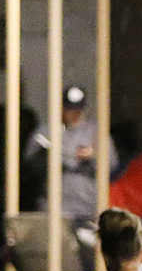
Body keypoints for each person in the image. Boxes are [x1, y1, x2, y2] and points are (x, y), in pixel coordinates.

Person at [30, 85, 115, 222]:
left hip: (88, 209)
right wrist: (50, 156)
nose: (74, 114)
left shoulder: (96, 133)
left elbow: (112, 165)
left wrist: (93, 157)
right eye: (69, 109)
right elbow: (30, 165)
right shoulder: (46, 131)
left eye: (78, 110)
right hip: (53, 208)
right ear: (61, 108)